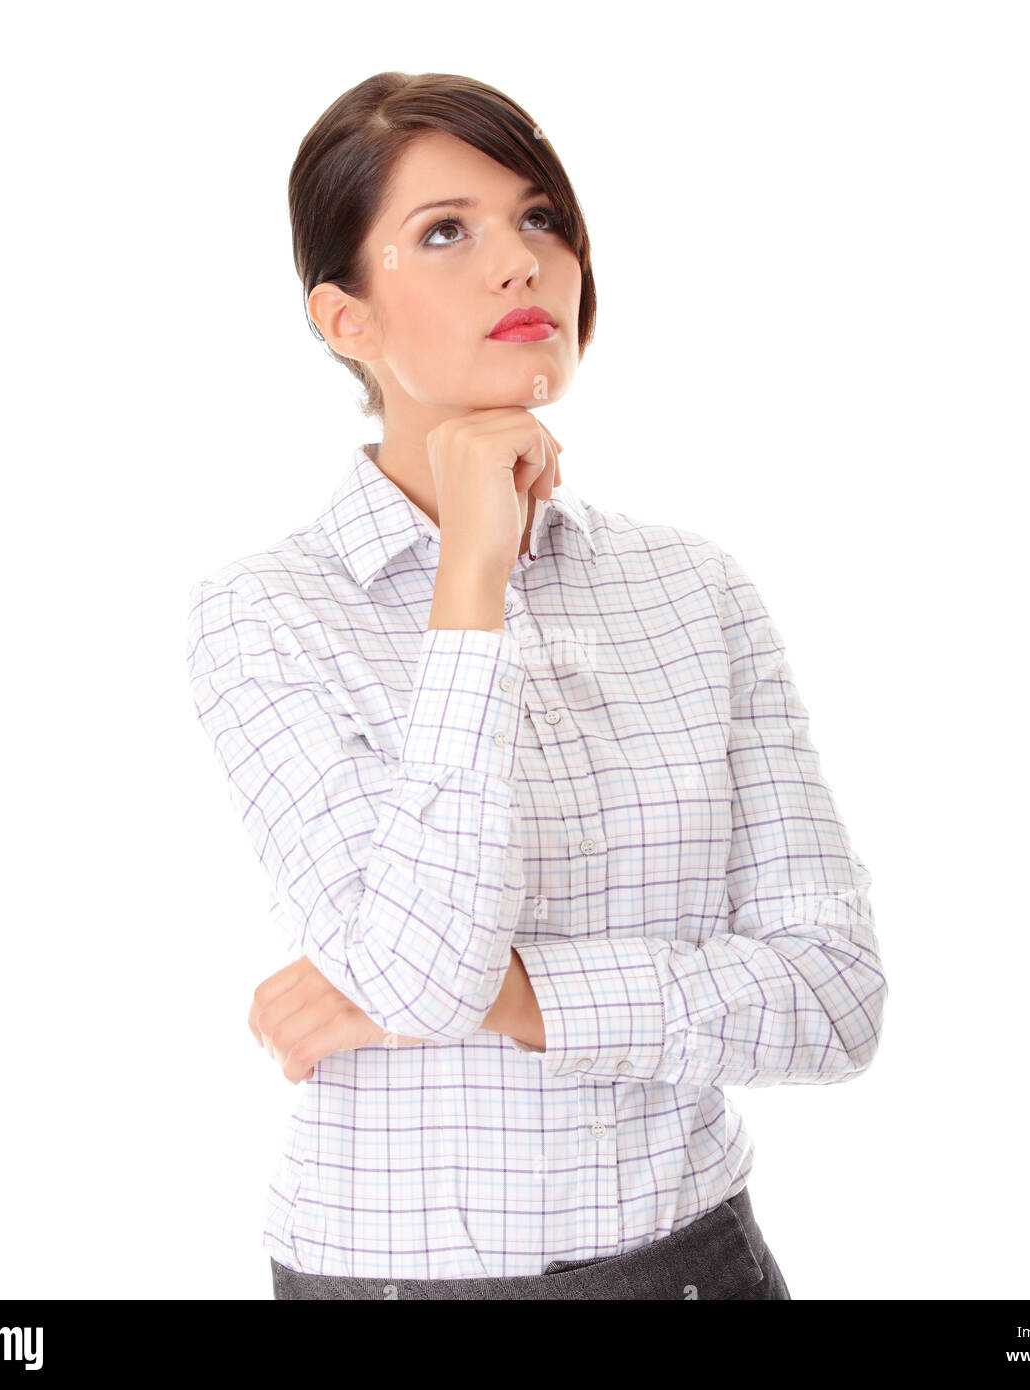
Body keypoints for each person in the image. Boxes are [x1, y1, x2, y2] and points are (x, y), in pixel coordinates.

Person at [185, 71, 888, 1301]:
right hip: (395, 1282)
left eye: (540, 217)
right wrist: (471, 573)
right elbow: (420, 975)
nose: (520, 263)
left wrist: (524, 995)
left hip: (698, 1263)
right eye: (444, 231)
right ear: (347, 321)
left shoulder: (694, 589)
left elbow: (834, 997)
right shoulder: (267, 610)